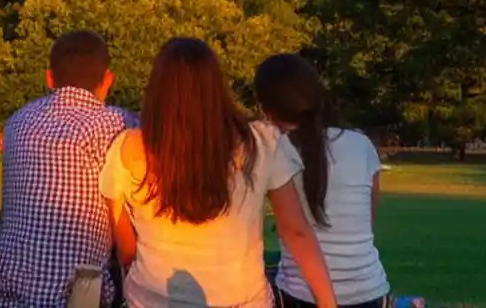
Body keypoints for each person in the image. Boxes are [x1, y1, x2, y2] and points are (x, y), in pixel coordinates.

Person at [100, 38, 337, 308]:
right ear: (216, 87)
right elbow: (296, 231)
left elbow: (125, 246)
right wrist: (328, 303)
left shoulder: (128, 147)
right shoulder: (262, 142)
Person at [0, 30, 128, 308]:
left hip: (6, 295)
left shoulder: (16, 123)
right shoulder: (118, 125)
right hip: (78, 297)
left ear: (49, 78)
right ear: (108, 80)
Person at [255, 54, 391, 308]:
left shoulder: (275, 148)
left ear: (265, 108)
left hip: (304, 294)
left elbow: (294, 230)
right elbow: (365, 222)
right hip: (369, 289)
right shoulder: (361, 144)